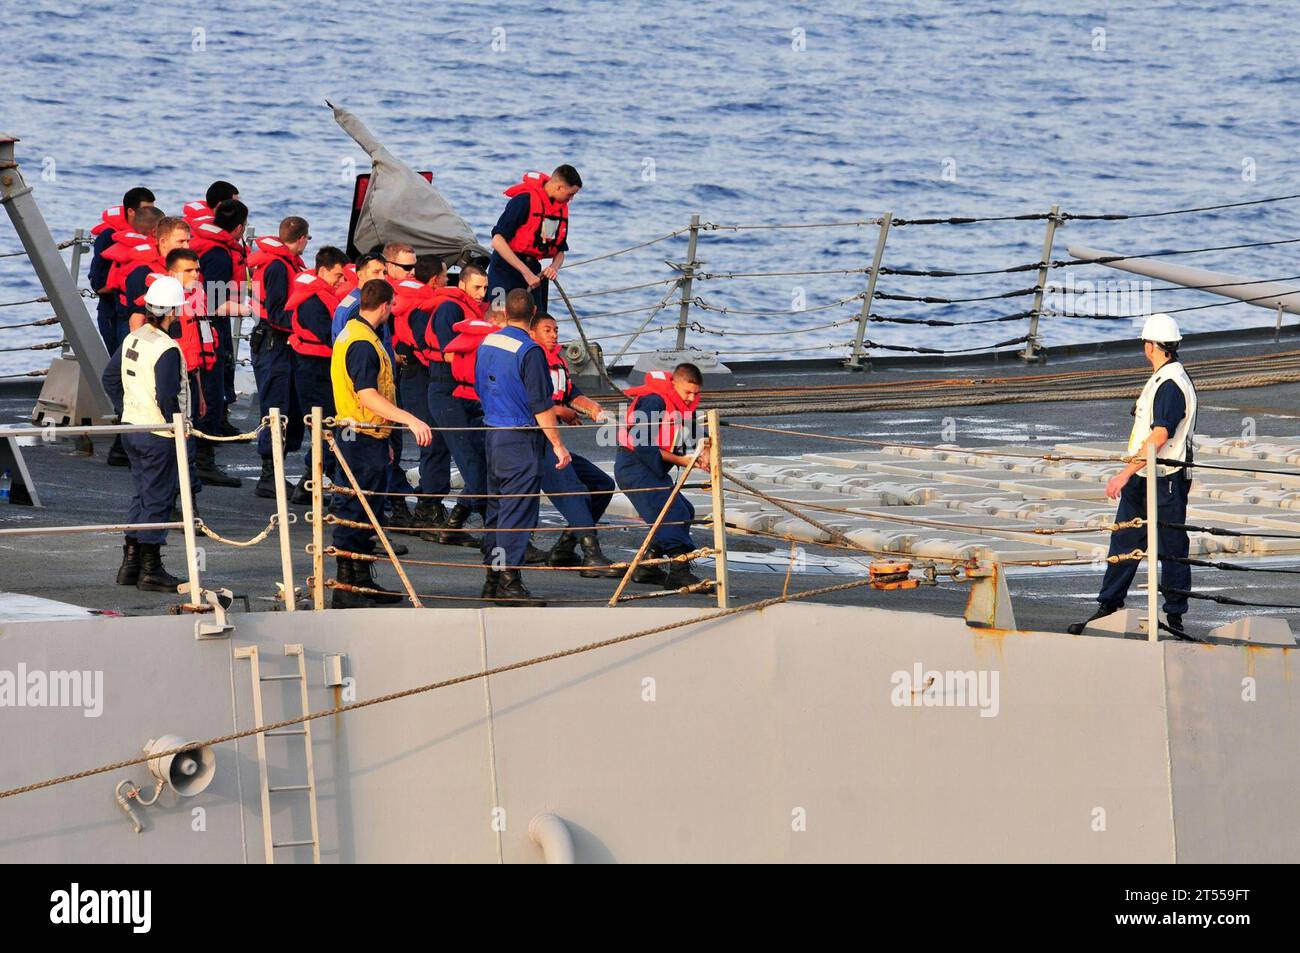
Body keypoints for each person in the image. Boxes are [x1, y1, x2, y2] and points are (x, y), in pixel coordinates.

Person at [1068, 313, 1198, 637]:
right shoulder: (1166, 377)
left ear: (1151, 346)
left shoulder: (1170, 384)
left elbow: (1159, 436)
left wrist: (1123, 474)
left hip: (1164, 479)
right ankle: (1109, 605)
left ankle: (1173, 619)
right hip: (1148, 477)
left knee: (1171, 548)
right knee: (1124, 539)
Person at [329, 279, 433, 609]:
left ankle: (360, 581)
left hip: (368, 436)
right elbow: (367, 395)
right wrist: (409, 419)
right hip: (359, 437)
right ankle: (347, 585)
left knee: (367, 509)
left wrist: (386, 435)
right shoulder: (362, 343)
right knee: (356, 510)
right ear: (386, 307)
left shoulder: (354, 332)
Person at [475, 289, 572, 606]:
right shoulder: (530, 351)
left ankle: (493, 577)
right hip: (519, 437)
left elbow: (480, 385)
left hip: (492, 433)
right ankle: (509, 582)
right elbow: (541, 404)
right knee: (517, 512)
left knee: (497, 509)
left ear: (503, 313)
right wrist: (557, 445)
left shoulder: (488, 341)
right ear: (533, 314)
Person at [107, 276, 191, 593]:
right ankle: (151, 569)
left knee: (141, 494)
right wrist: (177, 426)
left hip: (132, 427)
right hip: (159, 433)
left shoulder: (135, 337)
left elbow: (110, 378)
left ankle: (130, 564)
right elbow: (167, 395)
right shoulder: (167, 348)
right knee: (157, 497)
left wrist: (126, 407)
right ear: (172, 310)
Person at [529, 312, 619, 576]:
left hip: (552, 441)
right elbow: (531, 402)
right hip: (534, 443)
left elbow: (570, 393)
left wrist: (592, 409)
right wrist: (559, 412)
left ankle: (563, 549)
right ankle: (592, 556)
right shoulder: (530, 360)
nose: (554, 335)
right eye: (547, 330)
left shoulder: (557, 360)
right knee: (573, 491)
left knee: (602, 485)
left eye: (556, 330)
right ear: (532, 333)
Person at [614, 363, 709, 591]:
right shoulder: (654, 401)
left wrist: (705, 446)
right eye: (687, 392)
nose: (690, 398)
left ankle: (647, 565)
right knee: (673, 513)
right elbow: (642, 443)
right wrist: (683, 460)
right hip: (635, 467)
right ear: (674, 383)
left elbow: (692, 428)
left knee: (686, 511)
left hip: (653, 470)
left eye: (695, 393)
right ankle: (679, 571)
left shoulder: (682, 402)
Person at [425, 264, 494, 547]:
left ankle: (452, 525)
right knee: (472, 462)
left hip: (468, 394)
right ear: (462, 284)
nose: (482, 294)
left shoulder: (474, 309)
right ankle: (499, 533)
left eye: (486, 288)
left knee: (480, 458)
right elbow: (449, 352)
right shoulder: (449, 310)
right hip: (446, 391)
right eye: (477, 287)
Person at [390, 254, 453, 533]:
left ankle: (429, 499)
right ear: (434, 279)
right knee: (433, 440)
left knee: (434, 441)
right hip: (421, 376)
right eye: (445, 274)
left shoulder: (412, 301)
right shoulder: (422, 307)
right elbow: (420, 343)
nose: (447, 278)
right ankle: (428, 506)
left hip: (415, 374)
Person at [191, 199, 253, 480]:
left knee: (210, 391)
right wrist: (250, 309)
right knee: (211, 393)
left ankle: (203, 454)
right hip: (209, 328)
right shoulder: (218, 254)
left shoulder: (207, 246)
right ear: (239, 228)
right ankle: (204, 461)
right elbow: (213, 302)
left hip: (205, 325)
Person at [248, 217, 309, 499]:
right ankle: (268, 475)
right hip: (274, 345)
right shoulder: (277, 267)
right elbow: (276, 312)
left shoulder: (283, 264)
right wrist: (305, 325)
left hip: (282, 346)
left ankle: (274, 471)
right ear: (301, 239)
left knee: (290, 408)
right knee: (275, 409)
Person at [287, 245, 350, 497]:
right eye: (337, 275)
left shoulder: (322, 295)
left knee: (329, 427)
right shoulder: (312, 301)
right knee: (326, 425)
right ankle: (313, 484)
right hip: (313, 371)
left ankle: (307, 484)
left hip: (321, 369)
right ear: (322, 271)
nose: (341, 281)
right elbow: (328, 335)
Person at [487, 166, 581, 313]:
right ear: (559, 187)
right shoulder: (523, 201)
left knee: (536, 319)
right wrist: (526, 273)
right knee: (498, 317)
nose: (571, 199)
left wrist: (553, 267)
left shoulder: (559, 211)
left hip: (533, 272)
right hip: (504, 270)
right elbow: (497, 241)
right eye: (570, 194)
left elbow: (560, 250)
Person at [89, 186, 155, 353]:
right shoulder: (109, 236)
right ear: (131, 212)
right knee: (121, 364)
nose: (151, 215)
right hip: (113, 313)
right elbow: (98, 283)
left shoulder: (149, 235)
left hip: (138, 313)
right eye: (146, 210)